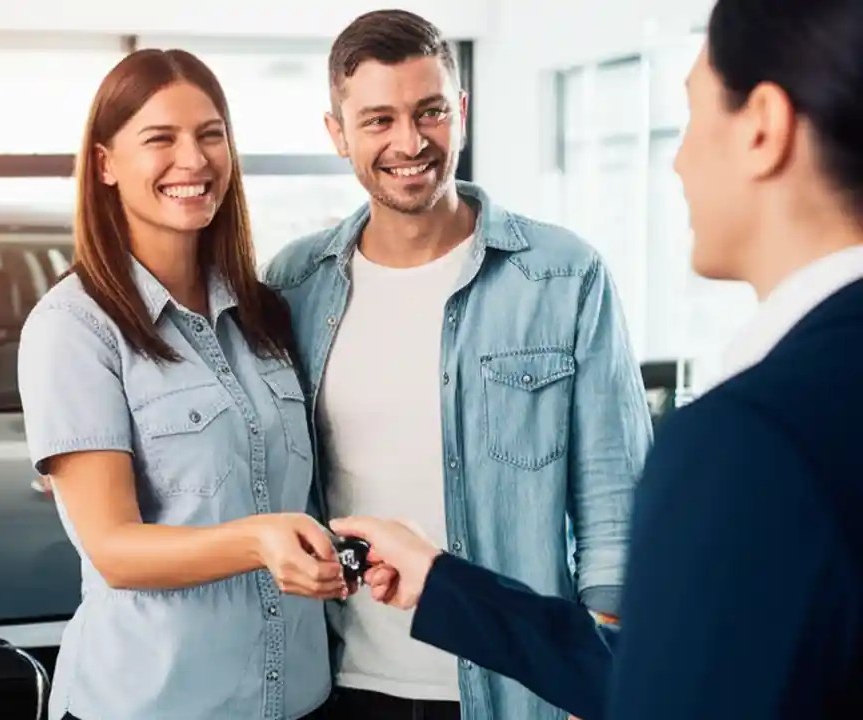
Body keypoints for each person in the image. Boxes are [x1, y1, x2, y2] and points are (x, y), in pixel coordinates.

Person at [331, 0, 863, 717]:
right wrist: (445, 582)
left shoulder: (745, 439)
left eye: (694, 117)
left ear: (763, 128)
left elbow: (657, 688)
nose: (675, 160)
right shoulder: (300, 283)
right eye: (378, 120)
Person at [263, 10, 651, 720]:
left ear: (461, 112)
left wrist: (602, 679)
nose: (409, 143)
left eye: (430, 111)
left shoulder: (564, 275)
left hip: (518, 688)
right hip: (343, 684)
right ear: (337, 133)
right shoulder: (295, 282)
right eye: (378, 120)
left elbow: (615, 503)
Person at [17, 49, 344, 720]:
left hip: (299, 700)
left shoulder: (266, 314)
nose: (193, 160)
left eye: (210, 134)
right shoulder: (73, 328)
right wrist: (259, 540)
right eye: (159, 139)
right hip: (153, 705)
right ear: (105, 163)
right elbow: (114, 548)